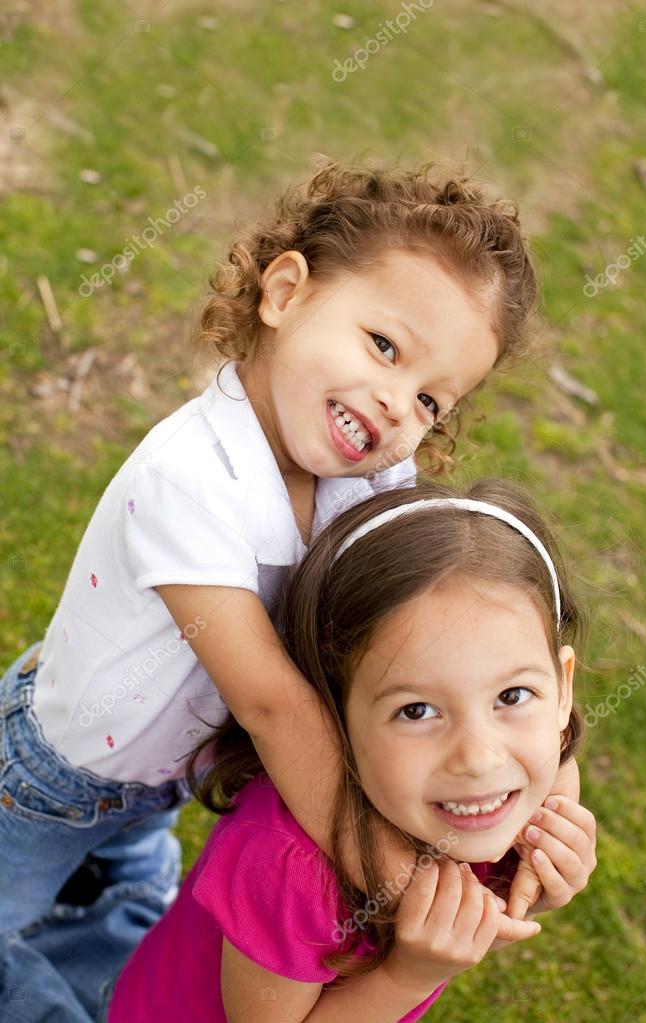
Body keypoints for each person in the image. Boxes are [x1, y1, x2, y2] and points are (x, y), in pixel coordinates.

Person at [0, 160, 571, 1020]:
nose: (393, 405)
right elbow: (271, 700)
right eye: (383, 346)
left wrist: (548, 797)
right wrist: (395, 876)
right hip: (55, 779)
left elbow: (465, 615)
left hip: (165, 775)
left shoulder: (367, 472)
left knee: (121, 907)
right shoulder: (189, 477)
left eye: (429, 399)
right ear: (285, 291)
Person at [107, 477, 597, 1022]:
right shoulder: (289, 869)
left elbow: (473, 913)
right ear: (335, 717)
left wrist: (530, 889)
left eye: (512, 696)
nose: (479, 759)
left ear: (562, 689)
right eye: (416, 711)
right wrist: (409, 976)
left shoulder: (502, 796)